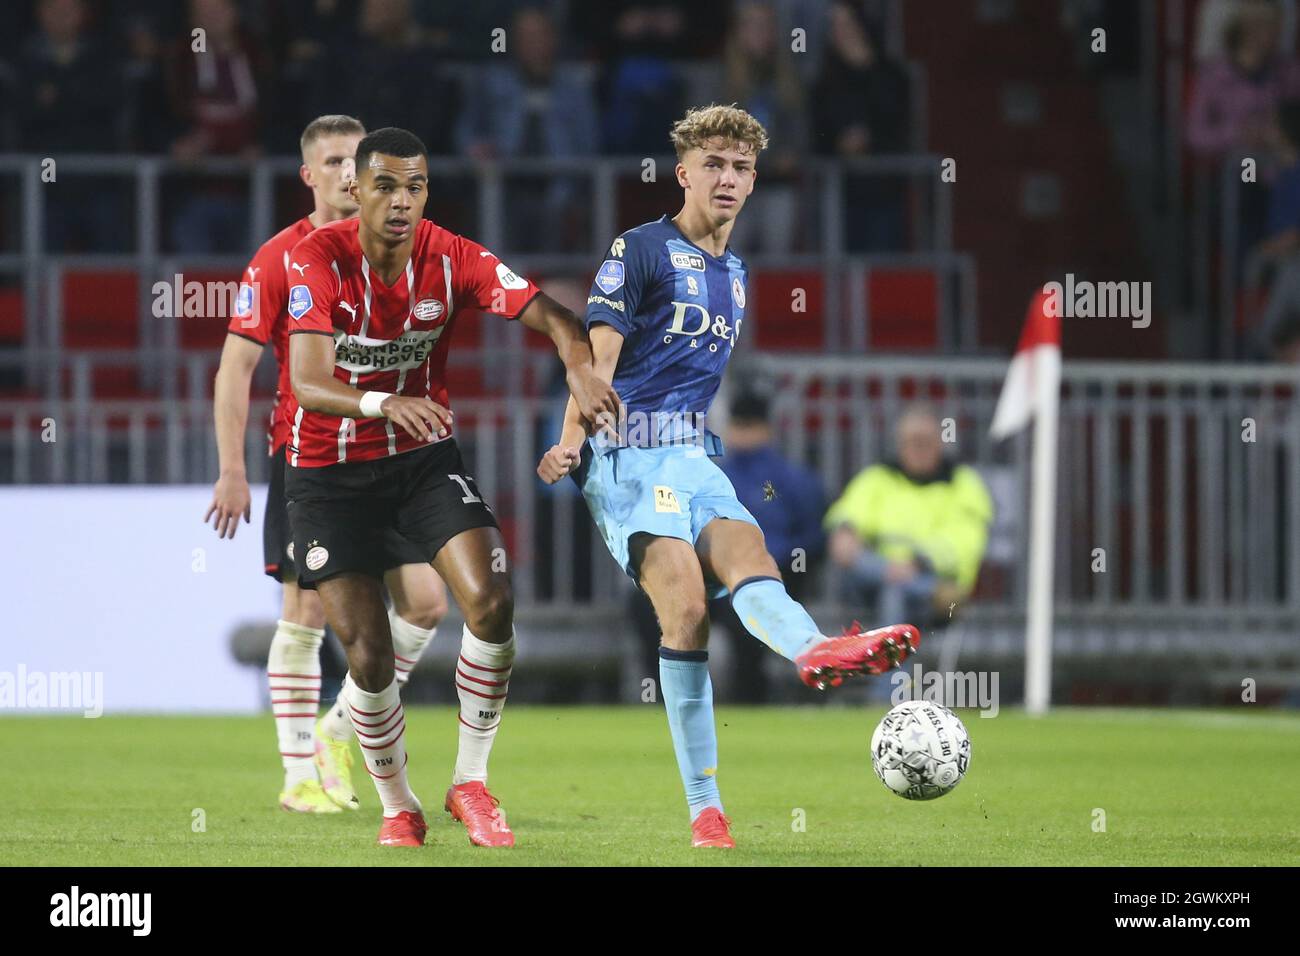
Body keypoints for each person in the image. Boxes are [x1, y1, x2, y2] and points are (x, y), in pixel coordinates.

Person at [537, 104, 918, 850]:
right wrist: (568, 440)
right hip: (626, 453)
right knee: (684, 611)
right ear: (684, 173)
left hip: (693, 454)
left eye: (741, 167)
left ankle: (816, 652)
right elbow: (595, 359)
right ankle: (705, 807)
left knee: (753, 557)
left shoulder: (736, 274)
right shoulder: (639, 249)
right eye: (714, 164)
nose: (729, 178)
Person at [285, 127, 618, 848]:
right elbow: (308, 382)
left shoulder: (453, 256)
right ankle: (399, 805)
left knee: (492, 602)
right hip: (328, 477)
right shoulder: (315, 260)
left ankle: (470, 781)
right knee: (367, 655)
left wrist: (579, 367)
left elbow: (556, 317)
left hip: (423, 462)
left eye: (416, 187)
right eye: (386, 187)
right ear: (357, 190)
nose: (402, 202)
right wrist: (381, 401)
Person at [205, 115, 449, 816]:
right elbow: (235, 368)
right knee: (307, 608)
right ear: (310, 175)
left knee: (428, 603)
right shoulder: (280, 257)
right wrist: (232, 467)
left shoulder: (398, 247)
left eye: (358, 159)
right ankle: (298, 776)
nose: (351, 172)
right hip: (311, 458)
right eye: (337, 160)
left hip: (392, 458)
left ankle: (336, 730)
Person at [825, 405, 993, 629]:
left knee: (895, 590)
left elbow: (966, 540)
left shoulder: (963, 484)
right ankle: (893, 658)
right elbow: (848, 515)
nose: (918, 449)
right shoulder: (878, 478)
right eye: (911, 442)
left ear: (939, 443)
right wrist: (845, 532)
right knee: (889, 582)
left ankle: (886, 661)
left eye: (924, 441)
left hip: (935, 581)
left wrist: (919, 562)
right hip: (872, 582)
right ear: (900, 444)